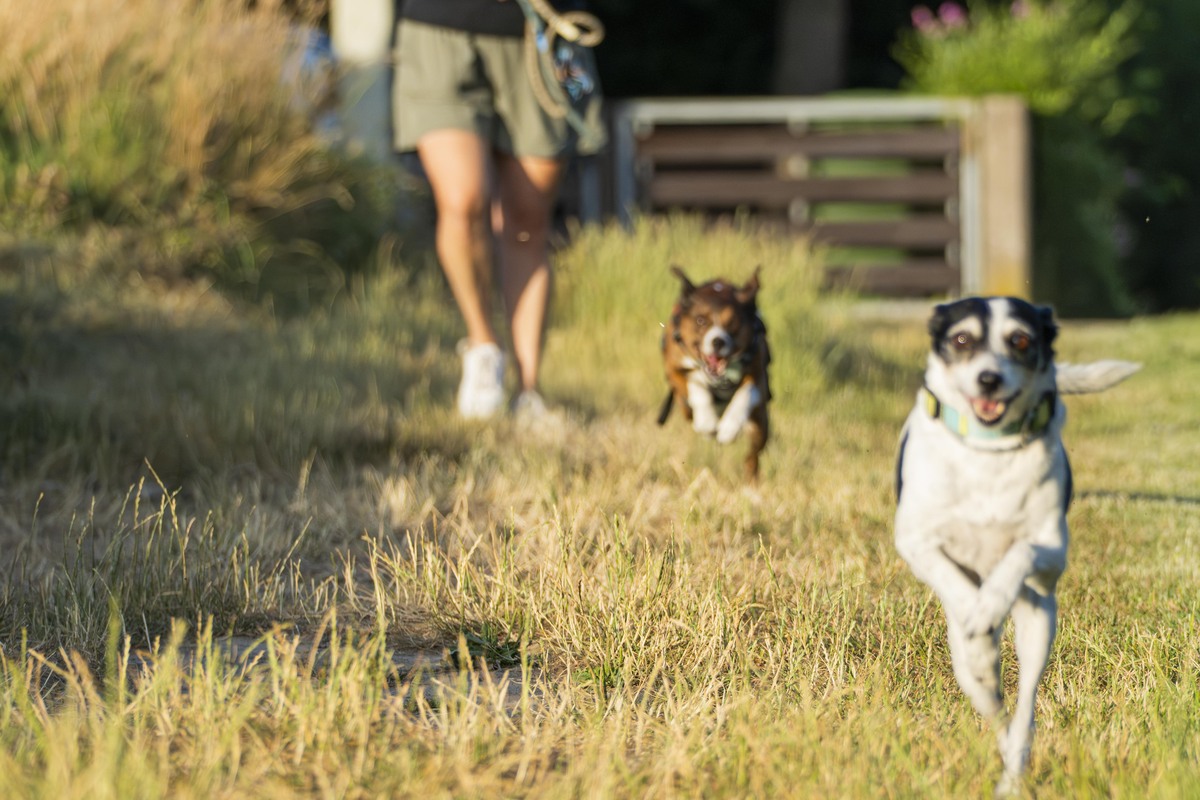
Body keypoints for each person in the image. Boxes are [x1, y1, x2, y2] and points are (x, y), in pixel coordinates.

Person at [392, 0, 604, 420]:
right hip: (439, 28)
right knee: (463, 199)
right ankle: (484, 345)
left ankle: (529, 391)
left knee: (528, 219)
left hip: (540, 35)